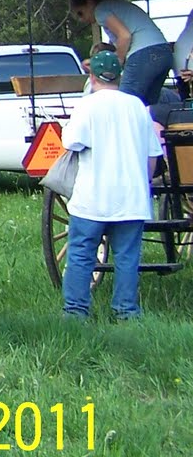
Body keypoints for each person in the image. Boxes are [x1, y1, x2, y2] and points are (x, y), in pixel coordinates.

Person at [60, 49, 157, 320]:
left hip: (93, 197)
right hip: (131, 199)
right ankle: (126, 311)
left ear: (91, 76)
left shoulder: (87, 105)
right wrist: (144, 184)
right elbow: (152, 156)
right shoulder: (137, 105)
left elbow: (70, 143)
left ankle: (76, 312)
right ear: (120, 76)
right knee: (127, 258)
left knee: (81, 254)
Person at [69, 0, 173, 108]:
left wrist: (118, 61)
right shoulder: (115, 7)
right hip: (164, 53)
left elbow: (124, 36)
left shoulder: (100, 10)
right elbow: (119, 43)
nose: (82, 20)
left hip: (145, 54)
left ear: (89, 3)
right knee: (148, 106)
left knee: (123, 103)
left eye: (80, 13)